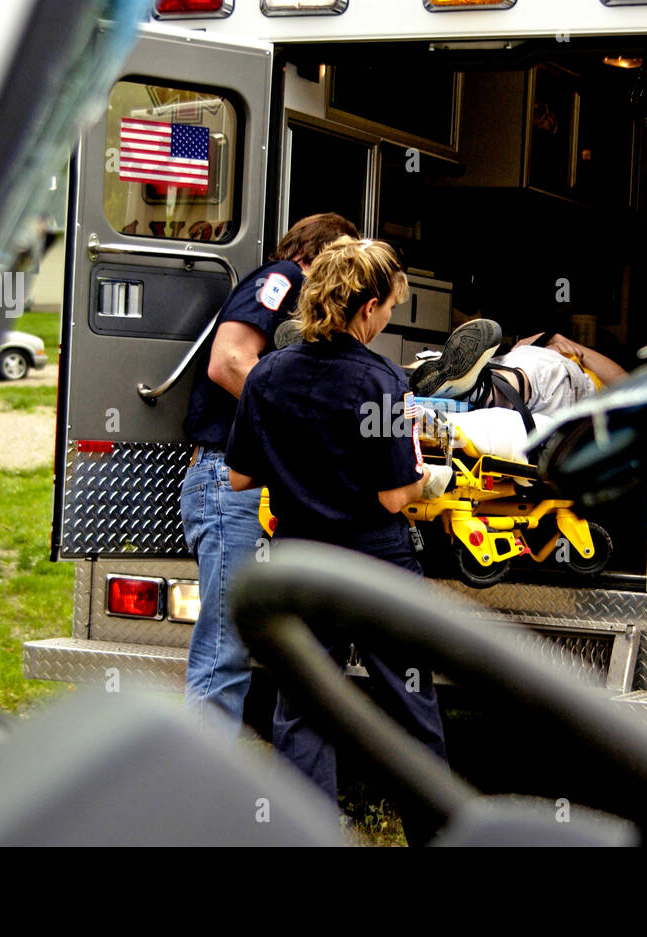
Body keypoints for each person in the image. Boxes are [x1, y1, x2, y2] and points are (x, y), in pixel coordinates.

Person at [223, 237, 448, 845]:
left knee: (302, 709)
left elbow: (240, 476)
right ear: (368, 306)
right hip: (375, 562)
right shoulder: (381, 379)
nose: (385, 321)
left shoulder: (269, 374)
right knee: (408, 706)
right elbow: (393, 496)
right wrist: (431, 480)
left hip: (298, 559)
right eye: (388, 309)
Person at [180, 212, 359, 733]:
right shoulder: (282, 279)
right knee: (224, 649)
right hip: (230, 480)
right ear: (322, 254)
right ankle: (198, 793)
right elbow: (230, 361)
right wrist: (303, 422)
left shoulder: (300, 294)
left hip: (261, 484)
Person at [410, 318, 627, 418]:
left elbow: (623, 380)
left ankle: (474, 391)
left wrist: (559, 340)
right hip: (517, 362)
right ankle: (410, 376)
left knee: (534, 375)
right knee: (508, 370)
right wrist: (551, 339)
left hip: (566, 386)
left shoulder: (616, 400)